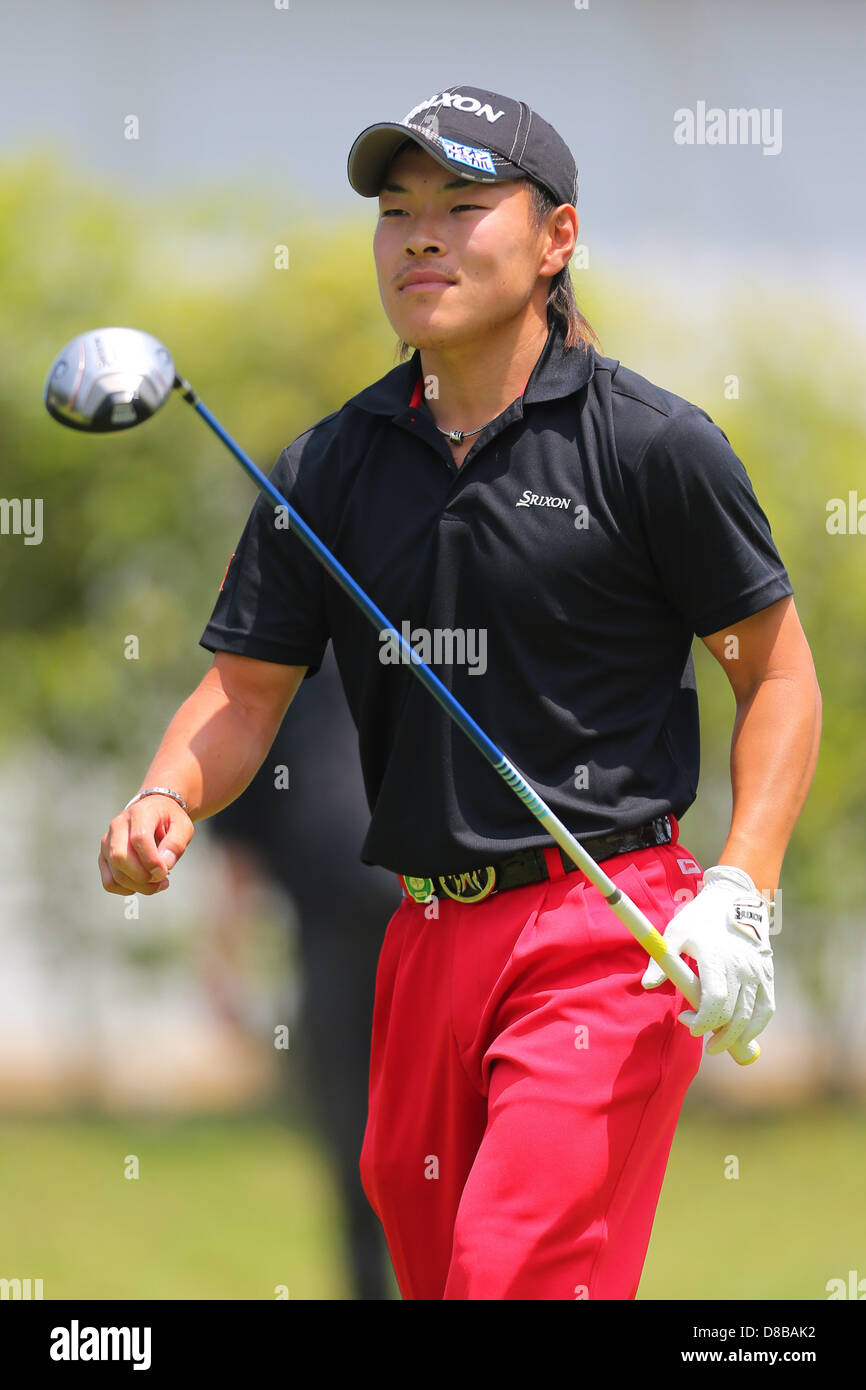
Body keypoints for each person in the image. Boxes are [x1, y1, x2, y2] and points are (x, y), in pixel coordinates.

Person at [98, 83, 822, 1301]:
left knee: (508, 1276)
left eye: (462, 204)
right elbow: (245, 690)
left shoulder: (650, 446)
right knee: (432, 1281)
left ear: (557, 239)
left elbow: (779, 680)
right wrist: (169, 791)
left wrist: (741, 886)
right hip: (421, 937)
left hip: (603, 932)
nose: (420, 234)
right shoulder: (327, 464)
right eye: (395, 210)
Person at [202, 643, 399, 1300]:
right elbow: (240, 826)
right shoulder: (287, 657)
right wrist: (222, 956)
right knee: (353, 1138)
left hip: (447, 920)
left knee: (468, 1132)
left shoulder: (442, 620)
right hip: (330, 926)